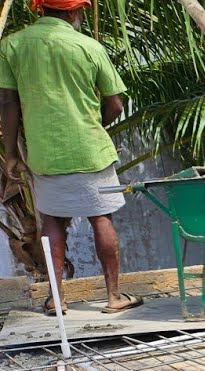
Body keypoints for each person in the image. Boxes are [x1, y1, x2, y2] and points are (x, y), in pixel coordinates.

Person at [0, 0, 142, 316]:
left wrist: (10, 153)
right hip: (91, 150)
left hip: (44, 153)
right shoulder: (88, 46)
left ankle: (56, 299)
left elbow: (8, 103)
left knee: (51, 222)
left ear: (41, 9)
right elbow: (116, 105)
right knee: (101, 218)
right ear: (74, 12)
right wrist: (94, 126)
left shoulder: (12, 45)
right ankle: (114, 297)